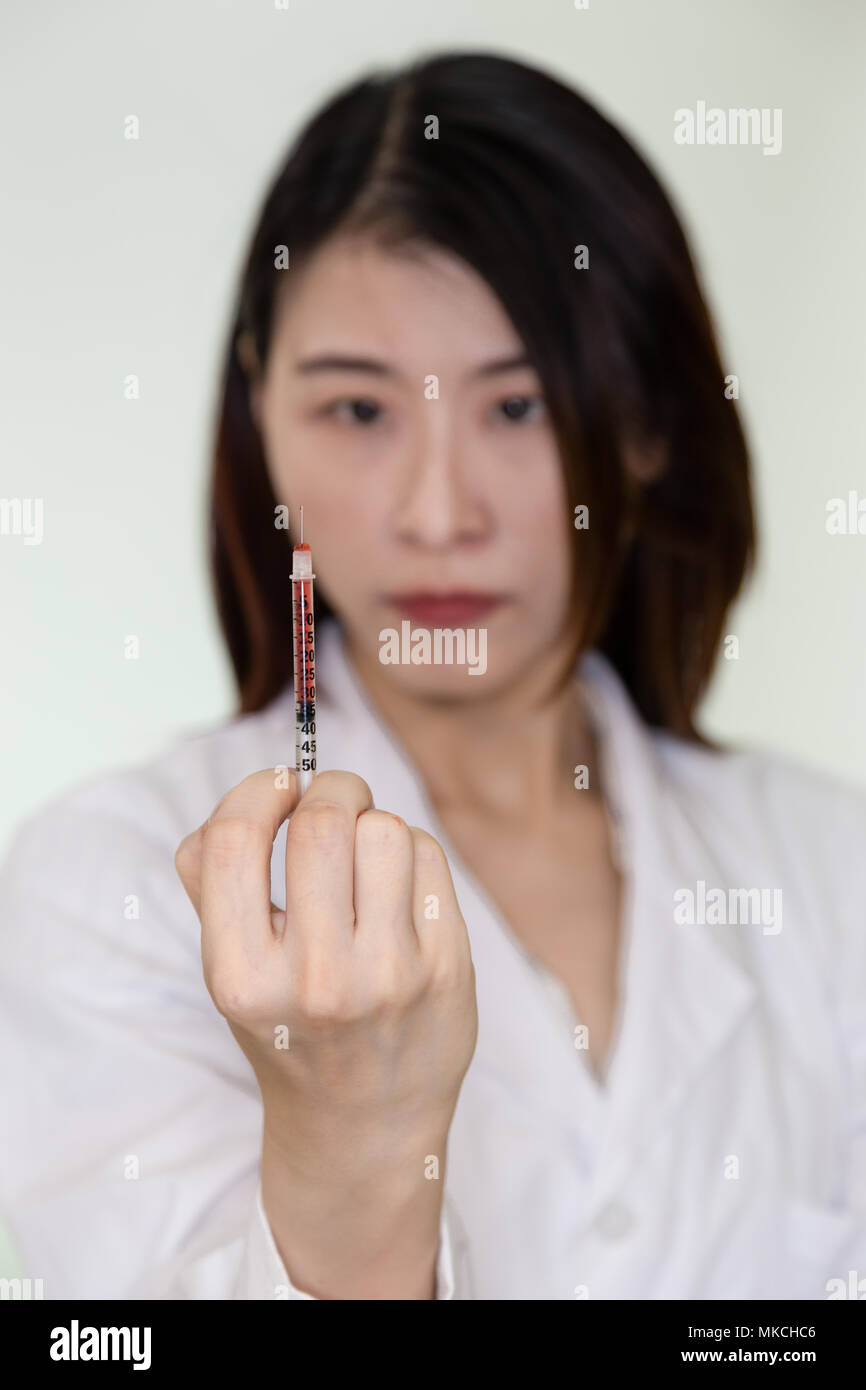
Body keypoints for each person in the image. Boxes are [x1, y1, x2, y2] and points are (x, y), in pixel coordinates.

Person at [1, 50, 864, 1301]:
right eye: (358, 412)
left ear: (643, 425)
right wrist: (351, 1143)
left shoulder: (830, 870)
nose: (436, 511)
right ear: (263, 421)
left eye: (515, 409)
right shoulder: (107, 884)